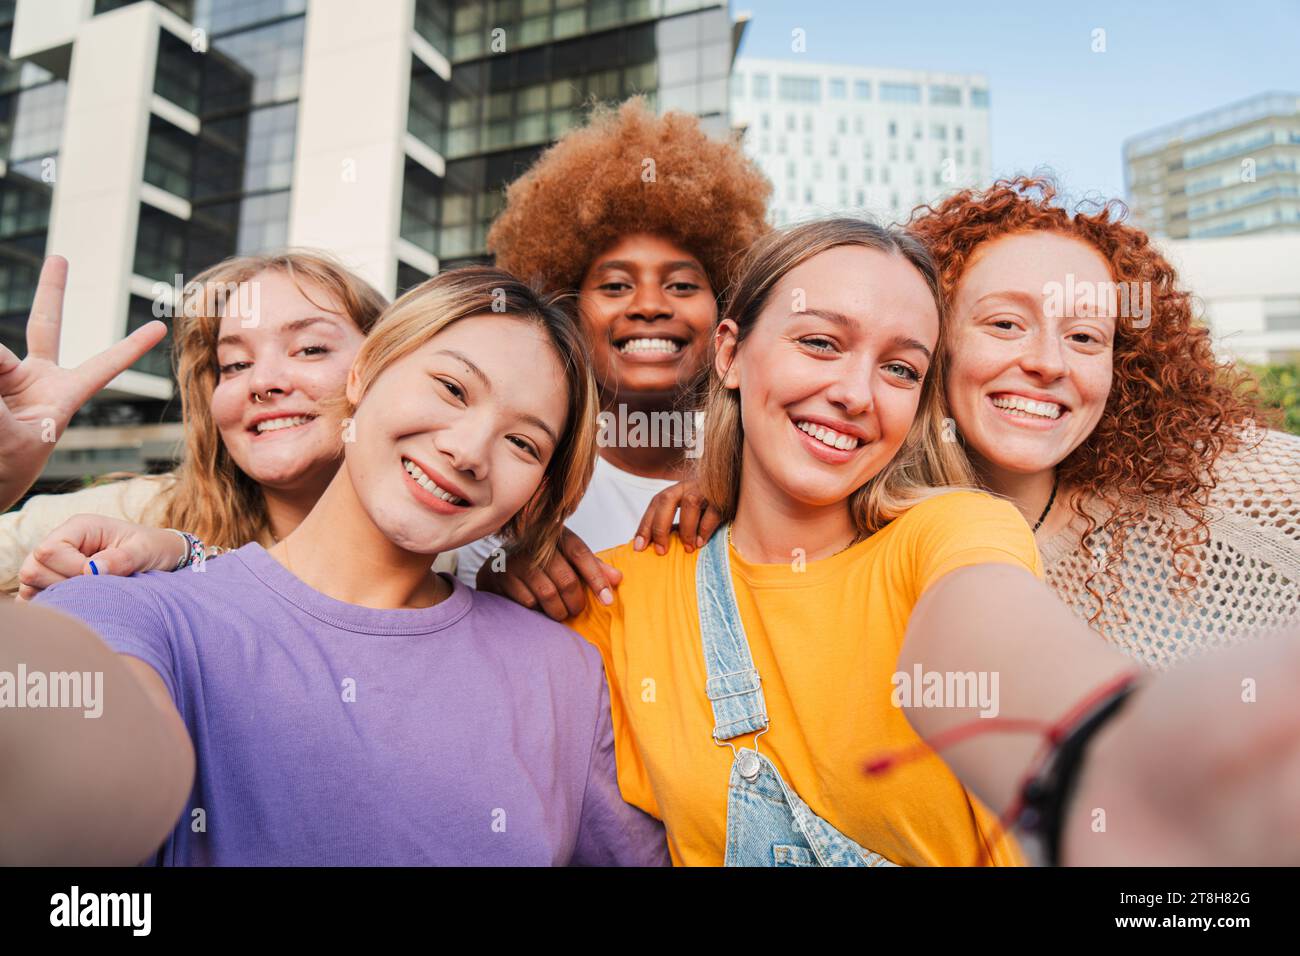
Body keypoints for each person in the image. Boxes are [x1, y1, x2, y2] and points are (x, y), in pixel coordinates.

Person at [557, 217, 1300, 867]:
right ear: (729, 352)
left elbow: (989, 634)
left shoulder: (954, 530)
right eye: (820, 342)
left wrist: (1104, 756)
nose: (856, 391)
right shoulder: (614, 596)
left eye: (900, 367)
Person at [14, 268, 669, 866]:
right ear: (365, 375)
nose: (470, 451)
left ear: (538, 493)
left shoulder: (566, 672)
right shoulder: (126, 605)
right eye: (450, 387)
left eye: (524, 442)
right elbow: (80, 788)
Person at [639, 178, 1300, 670]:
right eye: (1005, 324)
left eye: (1084, 336)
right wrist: (717, 489)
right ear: (931, 346)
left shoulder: (1217, 489)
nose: (1045, 362)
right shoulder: (863, 535)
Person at [457, 97, 766, 616]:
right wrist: (498, 583)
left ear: (725, 314)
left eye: (683, 284)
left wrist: (740, 493)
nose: (648, 305)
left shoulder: (770, 468)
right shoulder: (515, 482)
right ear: (570, 309)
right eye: (617, 285)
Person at [8, 249, 455, 598]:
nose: (261, 382)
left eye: (310, 348)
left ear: (382, 367)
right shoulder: (137, 515)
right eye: (236, 364)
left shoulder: (455, 551)